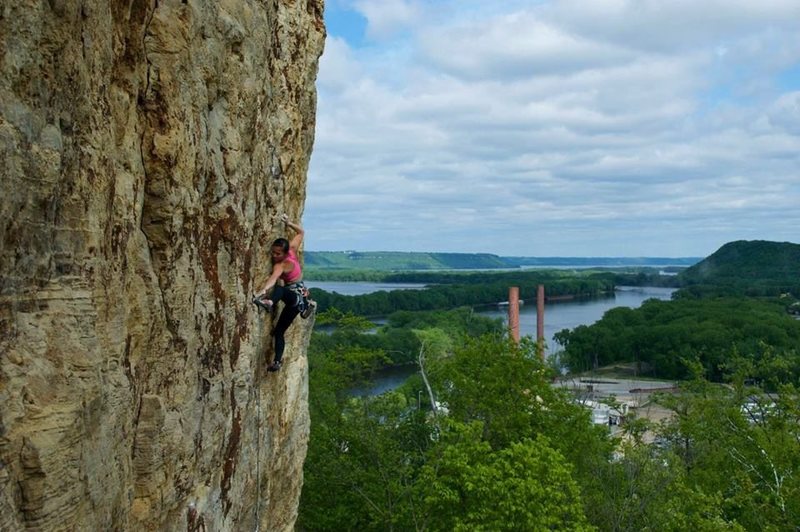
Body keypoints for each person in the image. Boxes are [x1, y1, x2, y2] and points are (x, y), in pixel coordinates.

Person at [253, 214, 315, 372]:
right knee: (278, 331)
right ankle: (277, 362)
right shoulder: (293, 250)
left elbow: (273, 279)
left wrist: (262, 292)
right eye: (273, 252)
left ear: (285, 253)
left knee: (280, 288)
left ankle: (269, 303)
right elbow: (301, 232)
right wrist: (289, 223)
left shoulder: (282, 265)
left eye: (277, 254)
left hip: (293, 298)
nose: (274, 256)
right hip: (298, 301)